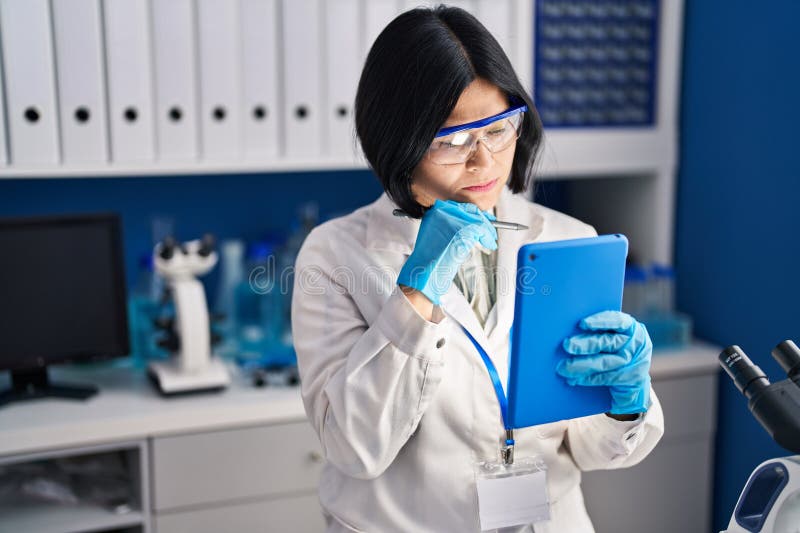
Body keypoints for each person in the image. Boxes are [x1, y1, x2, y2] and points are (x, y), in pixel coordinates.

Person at [291, 5, 664, 532]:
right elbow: (355, 449)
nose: (484, 161)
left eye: (498, 128)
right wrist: (415, 299)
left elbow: (592, 450)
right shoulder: (333, 256)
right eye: (451, 141)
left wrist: (624, 400)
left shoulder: (568, 241)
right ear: (397, 141)